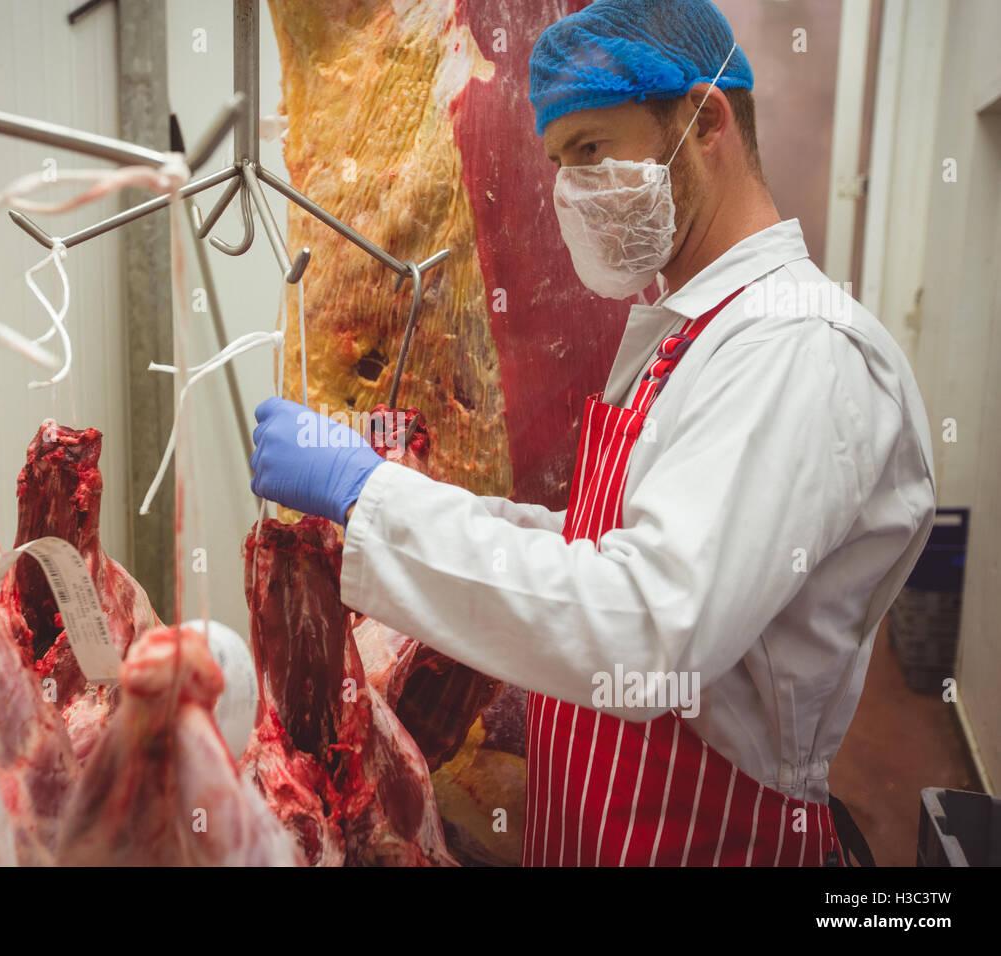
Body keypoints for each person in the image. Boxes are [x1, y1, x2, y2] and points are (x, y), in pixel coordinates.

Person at [248, 0, 935, 867]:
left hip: (703, 841)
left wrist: (369, 495)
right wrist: (396, 497)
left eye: (592, 150)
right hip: (600, 827)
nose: (570, 187)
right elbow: (602, 550)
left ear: (705, 119)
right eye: (558, 160)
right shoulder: (684, 331)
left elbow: (644, 626)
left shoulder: (796, 348)